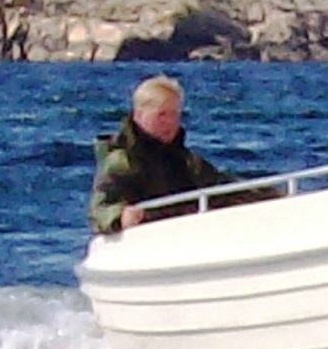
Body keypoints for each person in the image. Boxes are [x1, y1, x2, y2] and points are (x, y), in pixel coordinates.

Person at [87, 75, 228, 233]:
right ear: (139, 116)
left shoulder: (186, 161)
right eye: (162, 115)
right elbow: (100, 208)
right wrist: (120, 216)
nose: (170, 122)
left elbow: (222, 187)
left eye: (175, 114)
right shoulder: (121, 161)